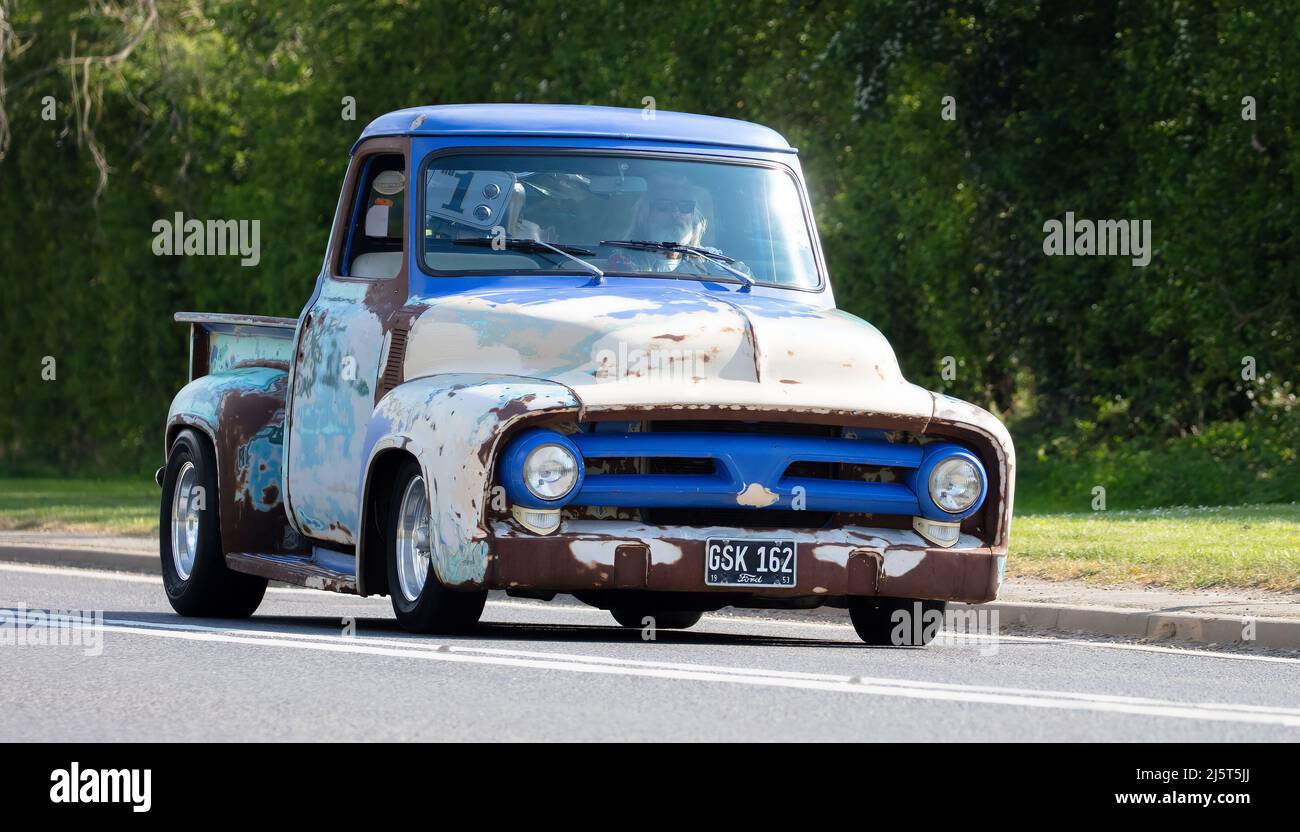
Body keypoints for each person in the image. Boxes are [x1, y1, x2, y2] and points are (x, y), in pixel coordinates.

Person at [607, 175, 709, 273]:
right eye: (664, 205)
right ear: (645, 215)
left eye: (685, 206)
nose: (675, 214)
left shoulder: (709, 268)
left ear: (694, 217)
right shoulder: (617, 266)